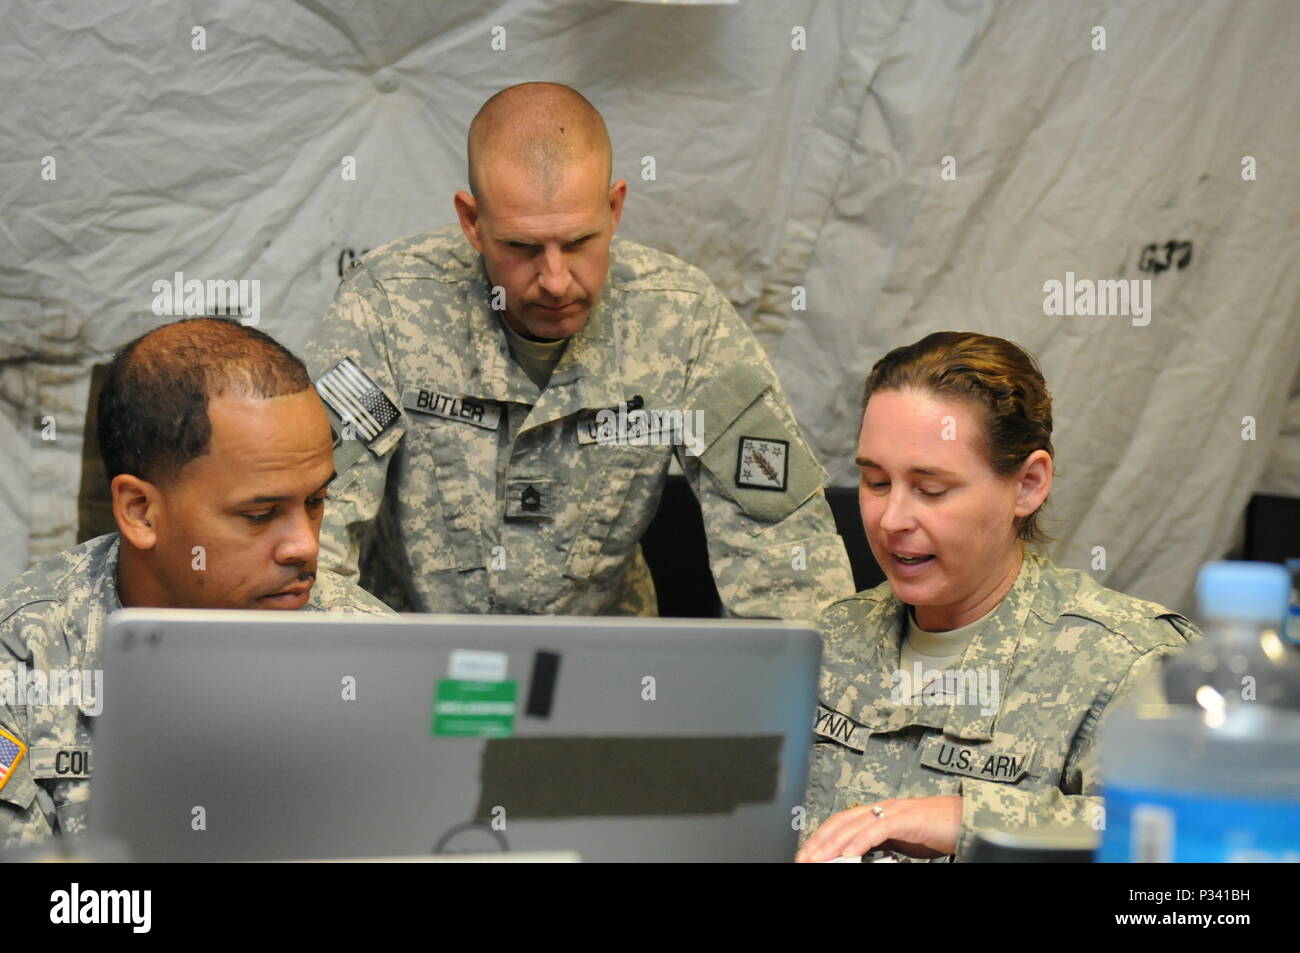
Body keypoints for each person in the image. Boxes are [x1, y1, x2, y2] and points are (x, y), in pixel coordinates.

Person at [306, 82, 853, 618]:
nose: (555, 280)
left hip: (604, 671)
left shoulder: (682, 321)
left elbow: (784, 555)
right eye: (521, 247)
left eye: (578, 242)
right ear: (473, 222)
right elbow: (311, 530)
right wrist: (373, 670)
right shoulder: (387, 306)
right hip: (416, 660)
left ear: (615, 208)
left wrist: (779, 694)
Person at [795, 331, 1198, 863]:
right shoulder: (829, 641)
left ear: (1028, 485)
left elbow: (1192, 856)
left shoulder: (1128, 665)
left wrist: (973, 820)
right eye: (874, 482)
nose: (892, 520)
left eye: (931, 490)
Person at [0, 318, 392, 848]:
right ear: (140, 511)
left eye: (316, 502)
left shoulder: (377, 659)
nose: (305, 545)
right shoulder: (22, 661)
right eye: (260, 514)